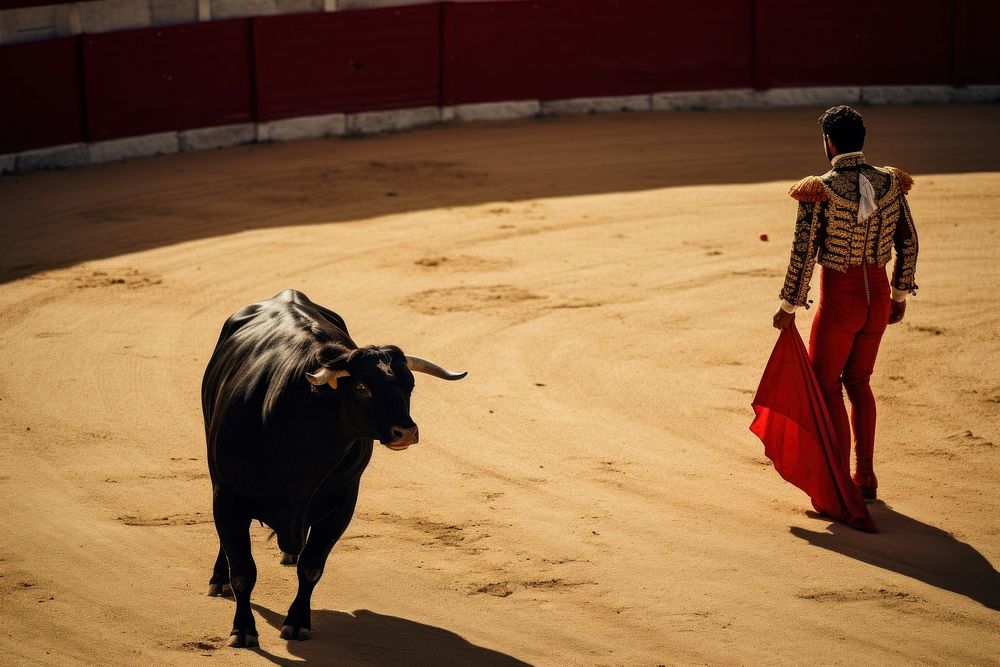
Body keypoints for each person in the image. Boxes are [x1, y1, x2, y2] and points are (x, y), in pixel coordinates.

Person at [772, 105, 918, 502]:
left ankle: (838, 480)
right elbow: (909, 242)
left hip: (840, 301)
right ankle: (866, 477)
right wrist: (900, 293)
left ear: (828, 142)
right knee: (860, 383)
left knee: (826, 386)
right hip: (878, 297)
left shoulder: (820, 189)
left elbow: (802, 254)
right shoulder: (890, 182)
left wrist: (788, 307)